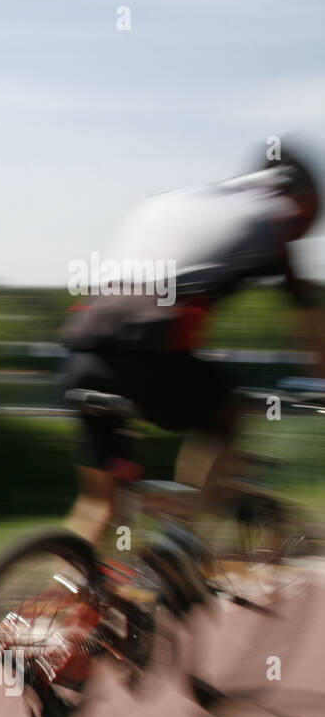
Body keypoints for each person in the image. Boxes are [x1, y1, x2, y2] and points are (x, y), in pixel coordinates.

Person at [60, 147, 325, 549]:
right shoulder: (275, 214)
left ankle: (55, 607)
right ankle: (187, 541)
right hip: (150, 356)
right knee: (229, 414)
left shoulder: (178, 200)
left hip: (82, 351)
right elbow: (310, 327)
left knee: (98, 505)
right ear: (301, 201)